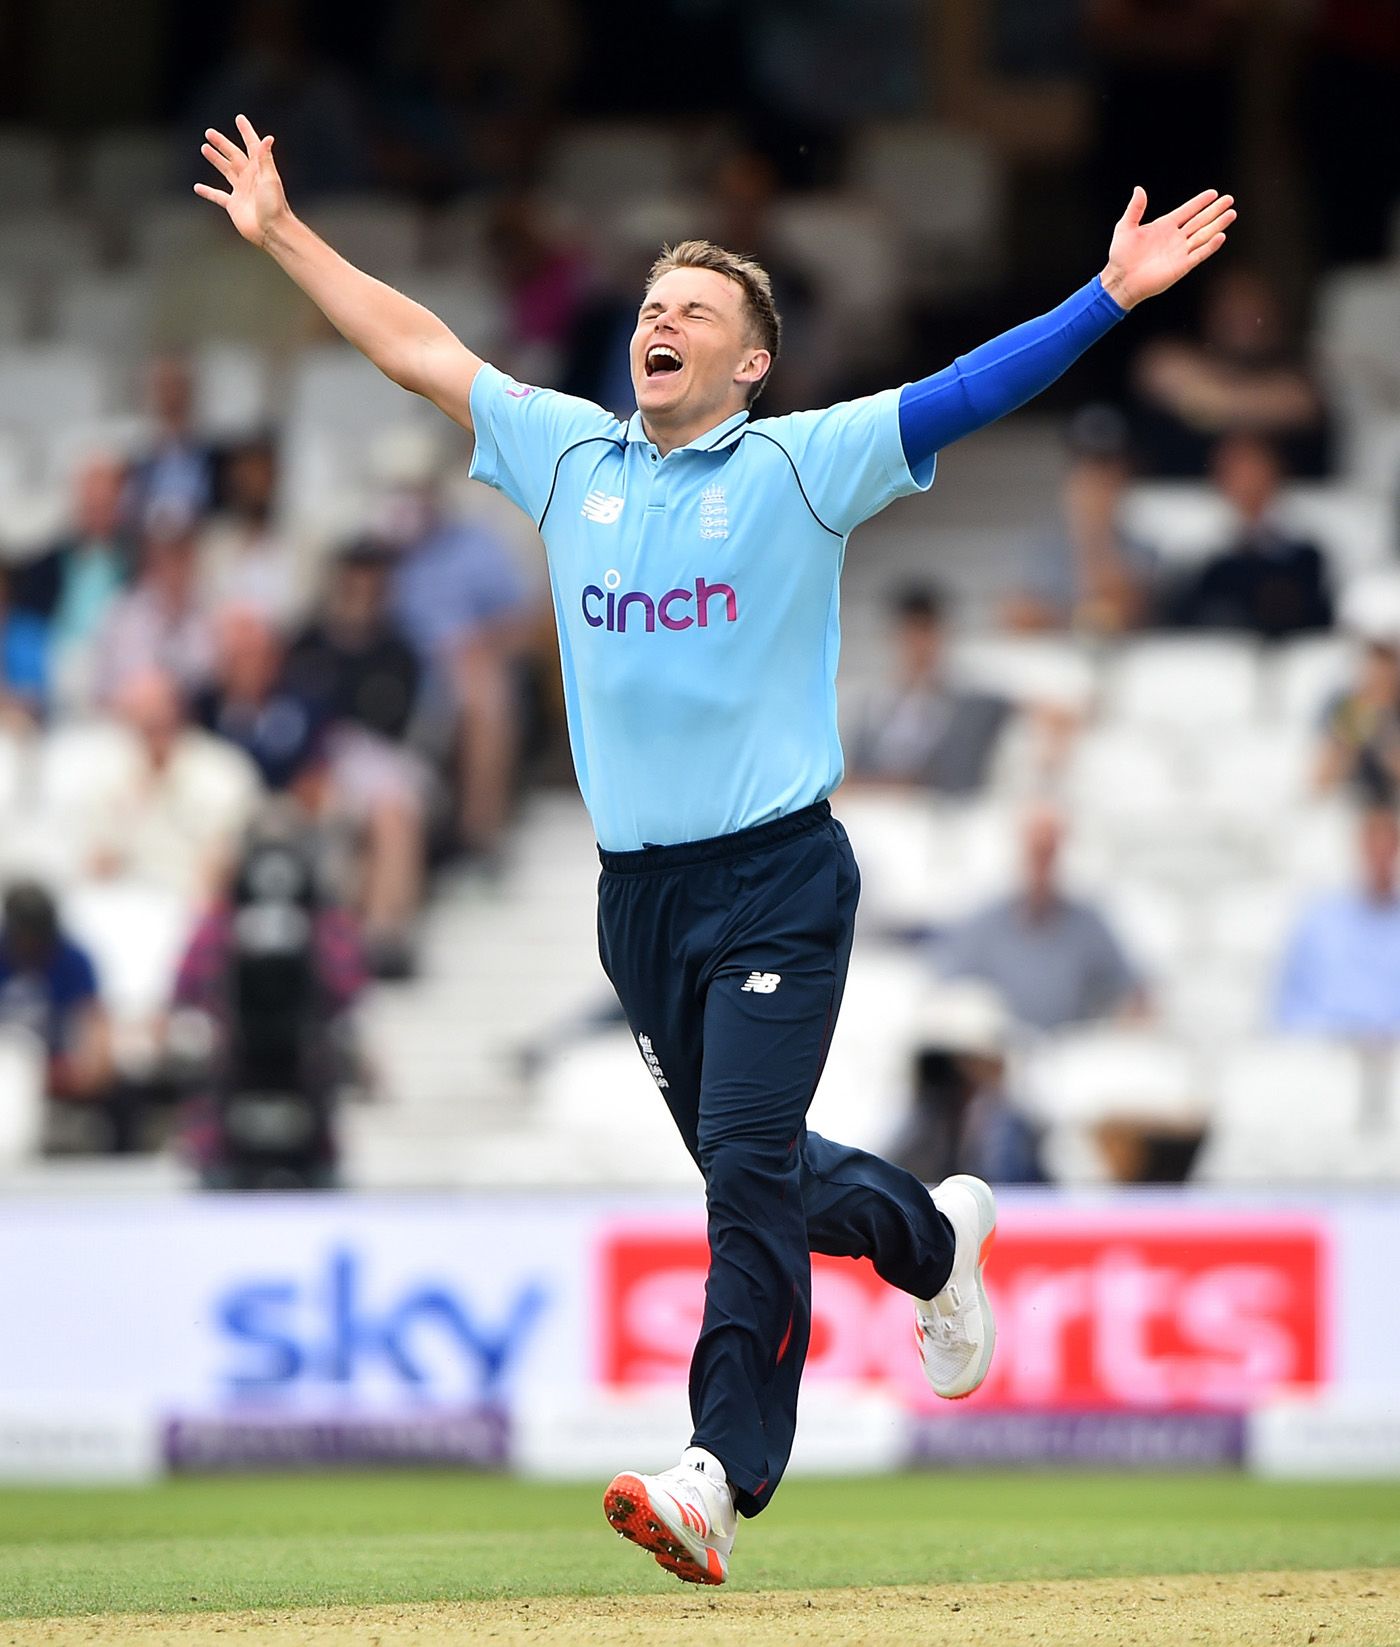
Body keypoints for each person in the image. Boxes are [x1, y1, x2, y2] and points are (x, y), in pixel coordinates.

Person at [197, 113, 1233, 1583]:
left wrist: (1109, 297)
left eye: (697, 312)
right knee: (771, 1174)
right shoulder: (564, 454)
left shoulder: (804, 466)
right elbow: (418, 349)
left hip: (778, 879)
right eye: (651, 308)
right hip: (642, 902)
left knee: (739, 1167)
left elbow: (963, 390)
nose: (659, 323)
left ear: (753, 361)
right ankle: (931, 1243)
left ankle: (716, 1473)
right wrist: (287, 233)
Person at [937, 802, 1149, 1033]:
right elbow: (947, 991)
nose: (1042, 863)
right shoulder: (983, 925)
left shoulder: (1090, 924)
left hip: (1069, 1055)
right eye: (1035, 851)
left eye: (1049, 851)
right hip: (997, 1056)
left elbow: (1132, 991)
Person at [1000, 405, 1161, 636]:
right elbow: (1020, 619)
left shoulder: (1144, 551)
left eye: (1106, 478)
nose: (1095, 489)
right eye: (1086, 473)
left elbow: (1122, 615)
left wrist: (1095, 538)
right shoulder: (1042, 547)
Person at [843, 584, 1013, 795]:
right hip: (876, 809)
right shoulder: (874, 704)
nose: (918, 644)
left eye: (924, 631)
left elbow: (956, 774)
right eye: (910, 633)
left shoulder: (971, 705)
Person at [1168, 432, 1334, 641]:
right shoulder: (1198, 551)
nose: (1248, 480)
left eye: (1256, 468)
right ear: (1220, 479)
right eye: (1236, 471)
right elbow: (1187, 615)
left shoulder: (1305, 548)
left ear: (1276, 472)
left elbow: (1316, 613)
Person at [13, 451, 131, 711]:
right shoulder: (46, 564)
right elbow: (27, 630)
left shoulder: (138, 560)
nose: (97, 509)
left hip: (119, 674)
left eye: (105, 502)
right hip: (55, 672)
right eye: (91, 501)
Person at [1273, 807, 1400, 1037]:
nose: (1380, 857)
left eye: (1388, 846)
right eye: (1373, 845)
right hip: (1325, 1055)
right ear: (1360, 848)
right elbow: (1288, 1008)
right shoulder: (1319, 921)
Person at [0, 881, 114, 1117]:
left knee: (122, 1095)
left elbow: (94, 1018)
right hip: (6, 1064)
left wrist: (92, 1066)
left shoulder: (72, 956)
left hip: (56, 1063)